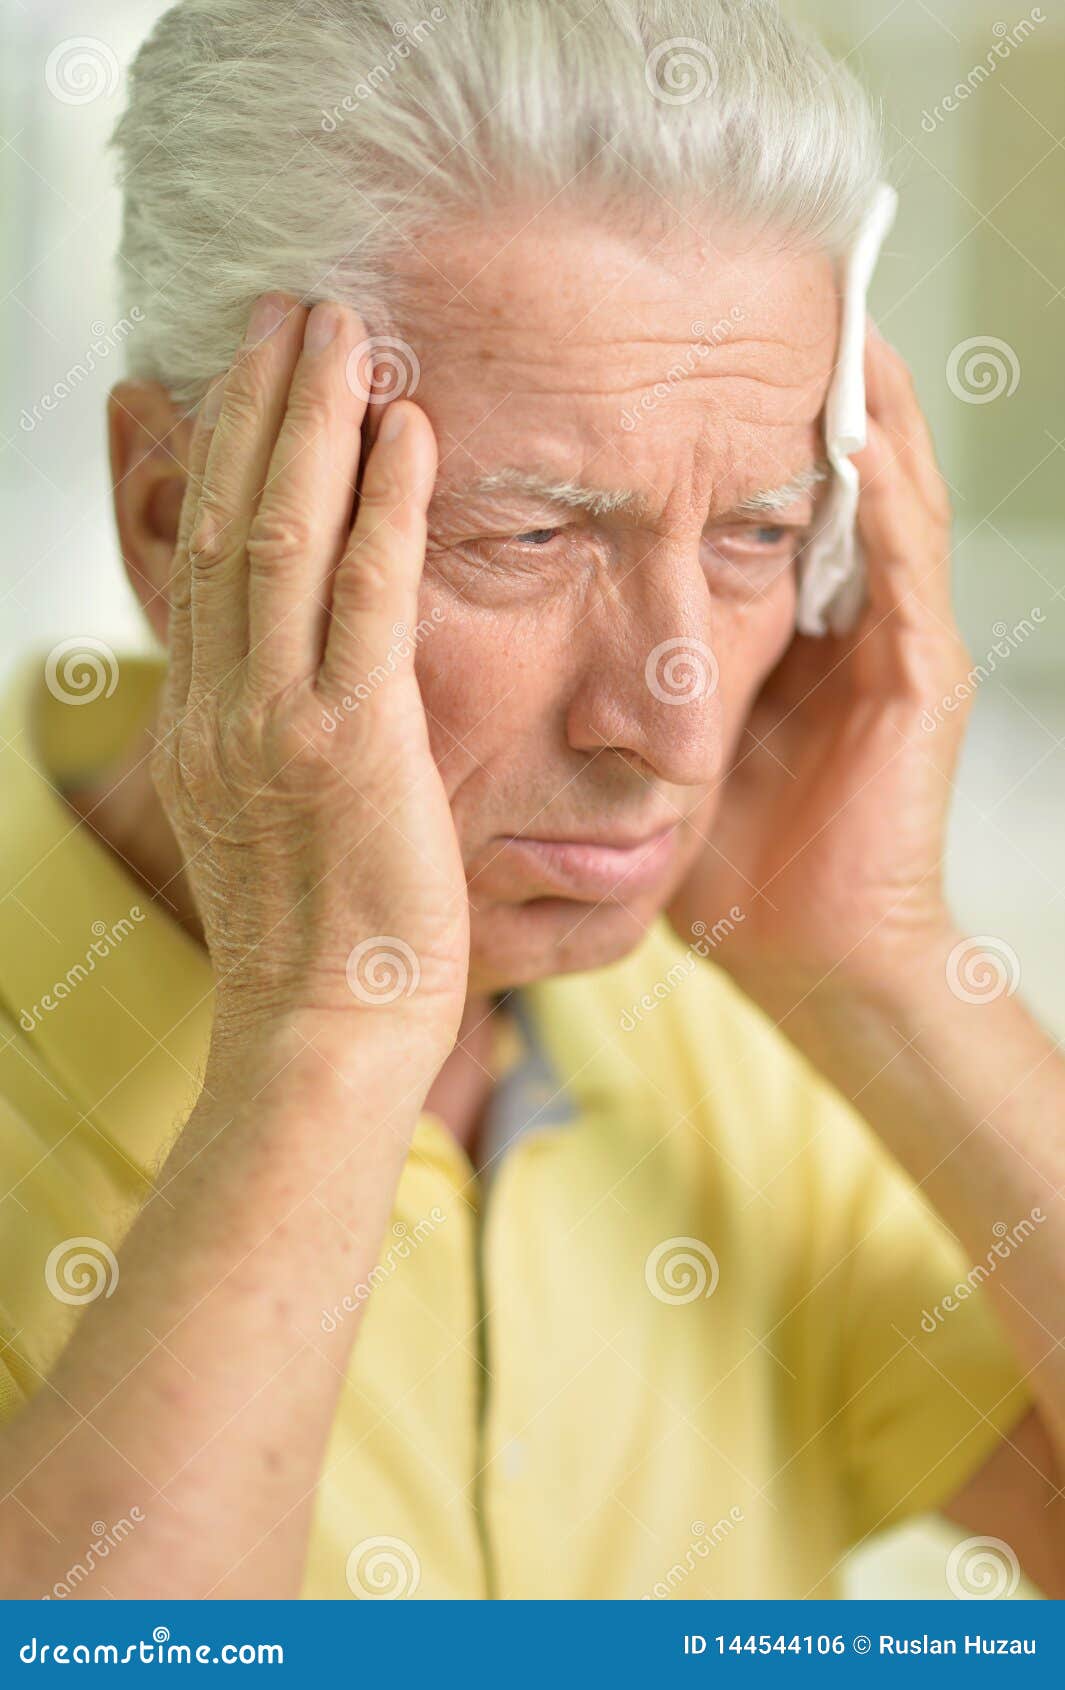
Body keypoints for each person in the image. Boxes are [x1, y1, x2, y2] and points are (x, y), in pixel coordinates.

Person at [0, 0, 1061, 1601]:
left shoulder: (726, 1032)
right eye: (533, 538)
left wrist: (889, 968)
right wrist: (333, 1034)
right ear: (175, 522)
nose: (674, 716)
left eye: (758, 536)